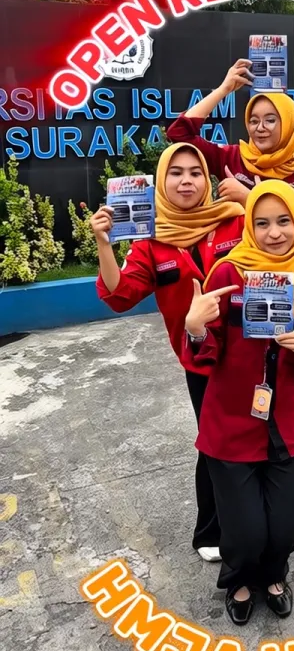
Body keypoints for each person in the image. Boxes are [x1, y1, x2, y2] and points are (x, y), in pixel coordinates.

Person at [182, 181, 294, 626]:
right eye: (263, 222)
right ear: (250, 225)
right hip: (231, 423)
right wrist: (194, 327)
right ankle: (239, 581)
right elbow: (204, 351)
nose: (274, 233)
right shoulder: (227, 275)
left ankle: (274, 577)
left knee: (283, 526)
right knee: (245, 530)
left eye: (284, 220)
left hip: (288, 423)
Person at [90, 143, 244, 562]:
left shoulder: (235, 222)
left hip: (251, 353)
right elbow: (121, 294)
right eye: (176, 173)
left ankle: (268, 515)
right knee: (214, 442)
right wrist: (105, 244)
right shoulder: (150, 242)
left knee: (259, 436)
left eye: (196, 172)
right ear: (162, 181)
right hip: (201, 358)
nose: (187, 181)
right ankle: (211, 528)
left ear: (207, 180)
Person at [166, 59, 294, 207]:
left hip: (293, 262)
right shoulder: (233, 158)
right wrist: (223, 90)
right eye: (253, 121)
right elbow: (179, 134)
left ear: (289, 124)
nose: (260, 127)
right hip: (235, 261)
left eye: (271, 120)